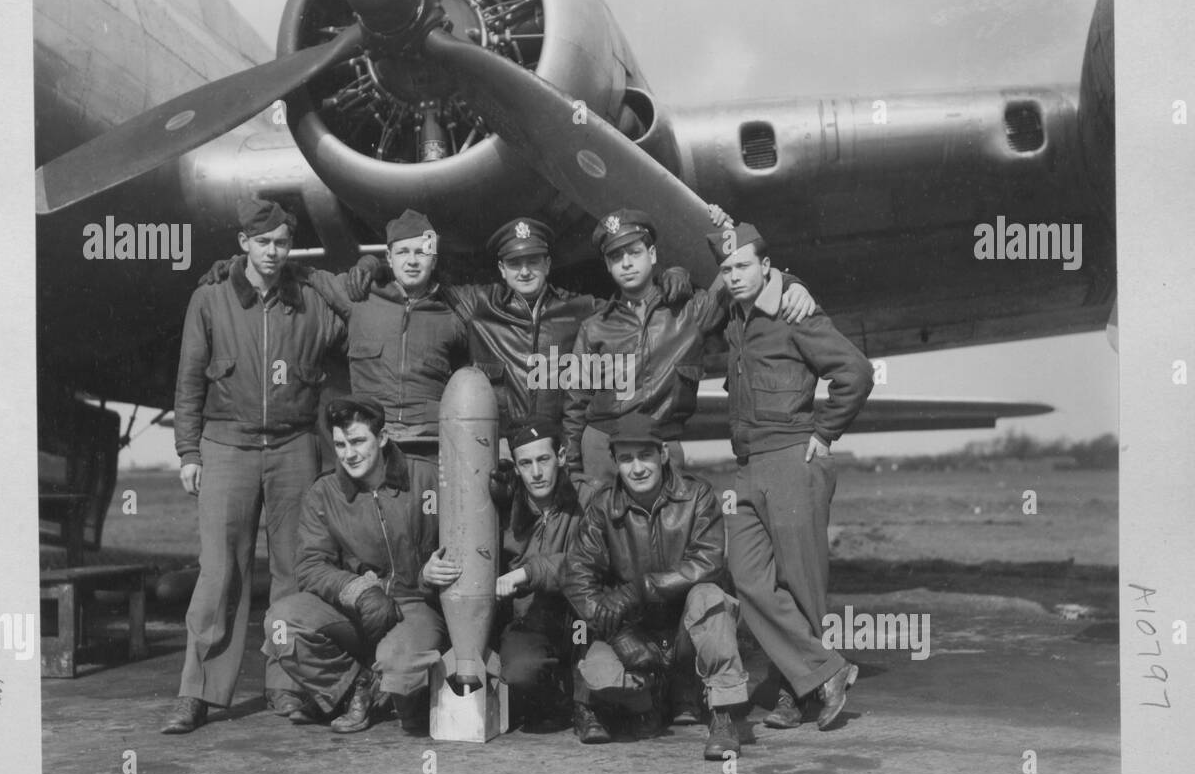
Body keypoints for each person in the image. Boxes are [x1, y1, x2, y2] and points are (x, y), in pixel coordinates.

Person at [164, 198, 346, 734]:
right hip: (227, 445)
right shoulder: (209, 298)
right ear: (243, 242)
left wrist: (320, 275)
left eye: (283, 243)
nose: (273, 252)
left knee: (294, 571)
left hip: (294, 447)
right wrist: (188, 452)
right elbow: (189, 380)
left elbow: (361, 302)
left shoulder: (311, 301)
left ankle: (287, 686)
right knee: (220, 570)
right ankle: (196, 693)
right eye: (263, 242)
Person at [706, 218, 874, 731]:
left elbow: (856, 372)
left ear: (765, 267)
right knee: (748, 577)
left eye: (742, 266)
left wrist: (825, 433)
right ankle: (825, 672)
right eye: (725, 268)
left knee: (802, 587)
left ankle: (797, 691)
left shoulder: (793, 310)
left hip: (791, 459)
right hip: (747, 465)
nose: (733, 276)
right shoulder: (732, 317)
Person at [349, 216, 693, 432]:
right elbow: (419, 277)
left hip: (557, 446)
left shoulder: (582, 309)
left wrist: (669, 277)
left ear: (547, 264)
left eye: (532, 261)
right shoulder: (477, 305)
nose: (524, 271)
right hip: (501, 446)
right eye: (515, 263)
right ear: (501, 269)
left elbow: (633, 307)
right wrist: (374, 265)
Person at [562, 209, 815, 484]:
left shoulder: (691, 312)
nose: (626, 263)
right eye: (615, 257)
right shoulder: (594, 327)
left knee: (672, 525)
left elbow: (741, 276)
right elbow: (576, 399)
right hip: (602, 449)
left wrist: (728, 231)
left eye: (634, 252)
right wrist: (574, 468)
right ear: (607, 266)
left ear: (653, 254)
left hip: (662, 444)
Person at [200, 208, 467, 460]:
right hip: (373, 445)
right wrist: (237, 265)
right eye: (403, 252)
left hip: (430, 447)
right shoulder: (359, 295)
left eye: (421, 253)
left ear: (433, 259)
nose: (411, 261)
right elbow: (304, 273)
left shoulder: (453, 314)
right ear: (389, 257)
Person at [262, 397, 459, 734]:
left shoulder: (425, 478)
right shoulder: (325, 493)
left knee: (398, 665)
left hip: (415, 606)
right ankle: (357, 687)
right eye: (340, 444)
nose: (348, 454)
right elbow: (310, 565)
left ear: (382, 438)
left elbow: (461, 536)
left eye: (357, 442)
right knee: (281, 624)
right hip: (358, 609)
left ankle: (393, 685)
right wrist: (358, 589)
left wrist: (429, 574)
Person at [561, 412, 750, 760]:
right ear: (615, 462)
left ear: (662, 454)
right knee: (600, 675)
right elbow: (577, 576)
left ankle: (722, 717)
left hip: (686, 632)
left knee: (709, 597)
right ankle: (655, 698)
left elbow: (707, 562)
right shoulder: (603, 506)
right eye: (626, 459)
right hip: (636, 633)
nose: (637, 469)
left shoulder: (698, 495)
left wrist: (639, 589)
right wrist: (618, 633)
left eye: (645, 456)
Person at [493, 415, 593, 732]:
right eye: (525, 464)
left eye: (543, 460)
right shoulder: (504, 507)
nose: (536, 473)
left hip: (583, 618)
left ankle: (586, 703)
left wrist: (526, 573)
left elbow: (588, 563)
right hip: (531, 621)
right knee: (522, 669)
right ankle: (553, 697)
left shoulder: (590, 497)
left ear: (561, 457)